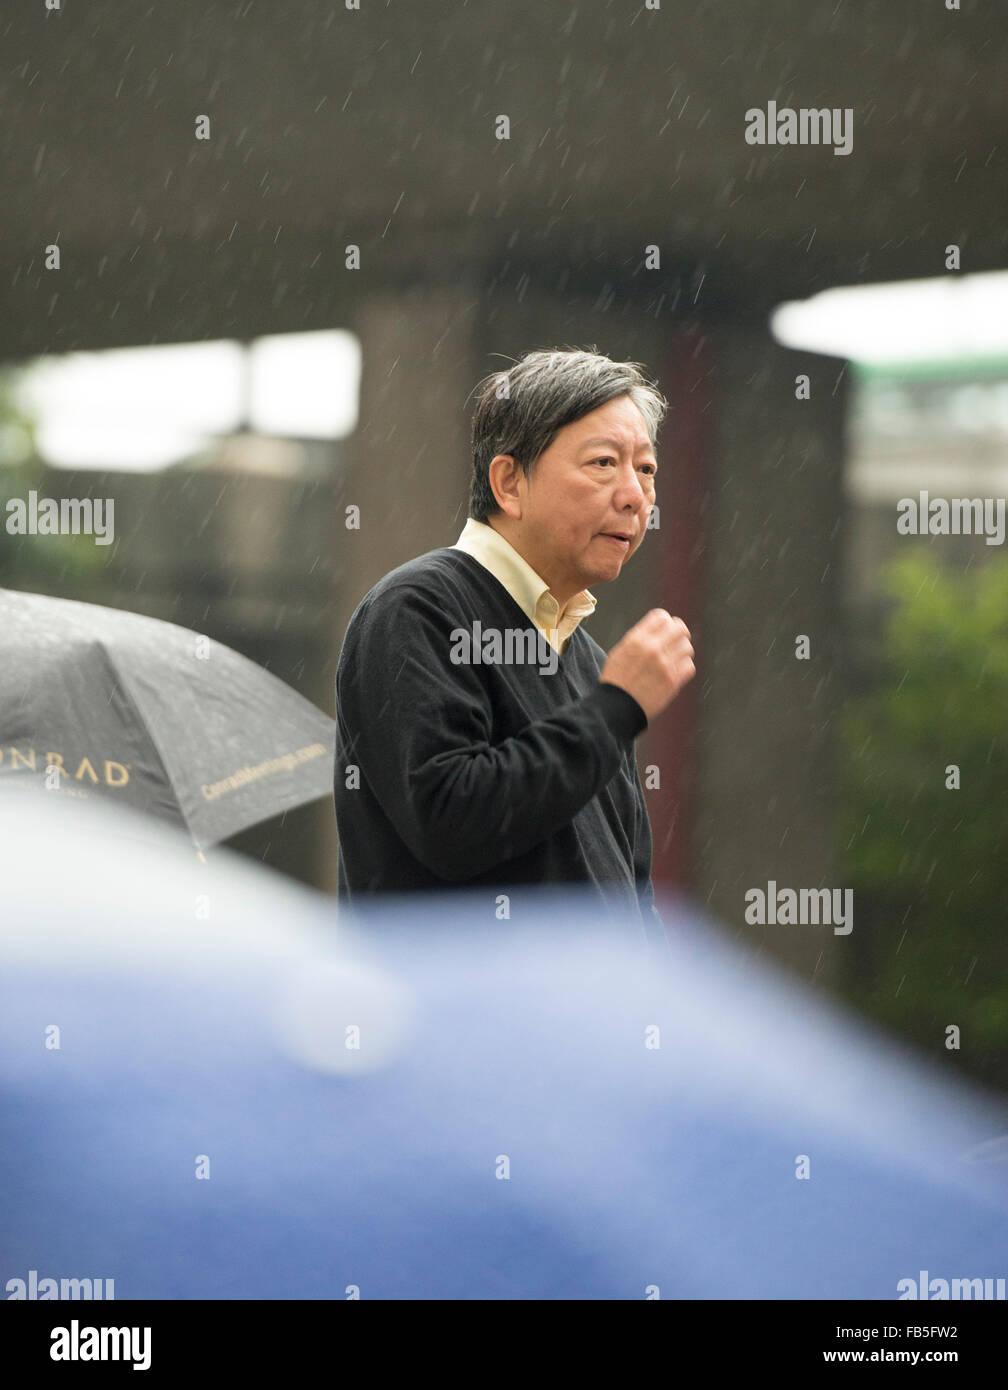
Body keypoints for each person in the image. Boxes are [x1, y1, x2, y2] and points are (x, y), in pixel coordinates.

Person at [333, 347, 695, 943]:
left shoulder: (588, 658)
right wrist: (613, 711)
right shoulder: (418, 608)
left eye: (647, 469)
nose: (635, 496)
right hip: (466, 1027)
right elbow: (451, 823)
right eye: (604, 463)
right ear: (509, 482)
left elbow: (628, 887)